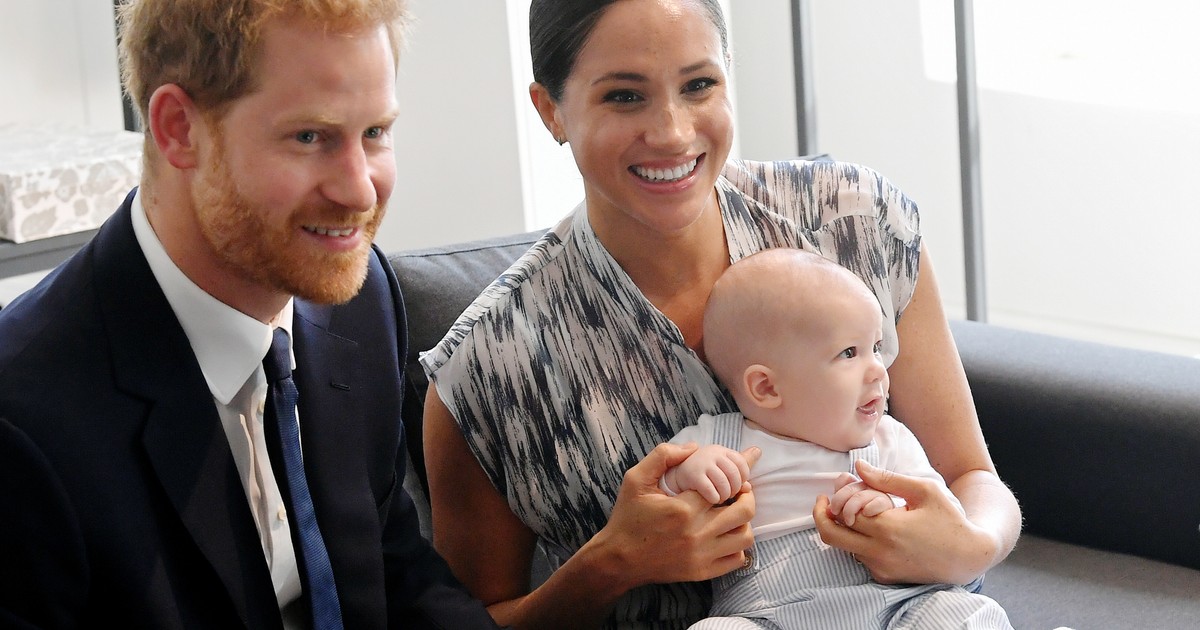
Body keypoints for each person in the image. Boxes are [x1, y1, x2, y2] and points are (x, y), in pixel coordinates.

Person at [420, 0, 1021, 627]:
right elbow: (470, 621)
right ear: (551, 112)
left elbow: (970, 474)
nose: (674, 133)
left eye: (699, 85)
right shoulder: (488, 366)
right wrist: (612, 563)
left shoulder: (854, 222)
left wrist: (970, 545)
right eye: (625, 97)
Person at [0, 1, 499, 628]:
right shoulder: (24, 425)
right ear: (179, 128)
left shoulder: (360, 302)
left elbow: (392, 568)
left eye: (374, 133)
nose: (360, 190)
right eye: (309, 137)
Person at [660, 248, 1012, 629]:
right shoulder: (718, 441)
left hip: (898, 609)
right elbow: (656, 498)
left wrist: (890, 509)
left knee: (963, 615)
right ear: (765, 387)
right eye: (849, 353)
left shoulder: (889, 440)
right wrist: (688, 474)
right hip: (770, 615)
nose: (878, 368)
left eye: (875, 347)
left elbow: (940, 517)